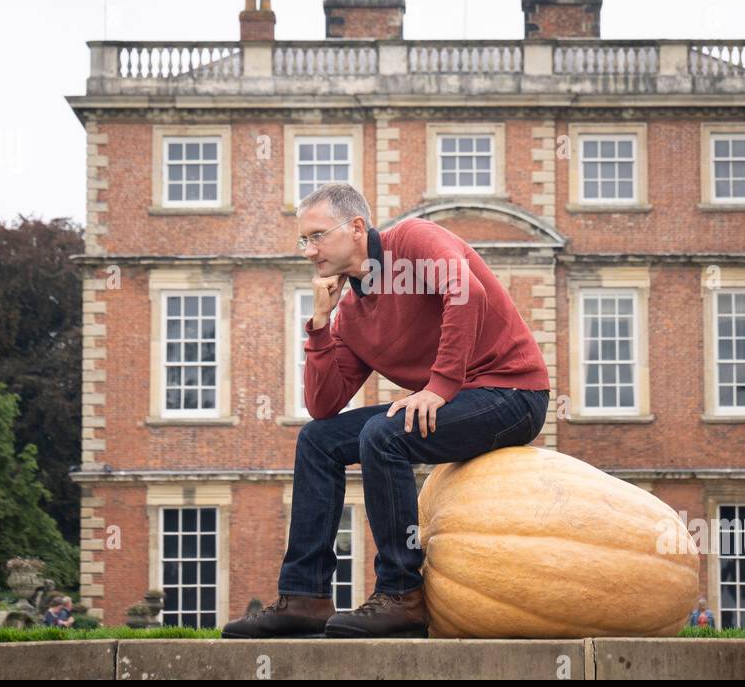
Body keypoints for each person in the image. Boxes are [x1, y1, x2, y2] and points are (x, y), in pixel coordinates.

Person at [222, 183, 551, 640]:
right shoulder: (352, 313)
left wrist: (439, 386)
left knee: (384, 433)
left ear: (357, 227)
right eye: (303, 240)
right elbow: (323, 405)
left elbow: (466, 292)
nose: (307, 251)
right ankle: (305, 596)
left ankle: (402, 594)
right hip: (456, 400)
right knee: (317, 442)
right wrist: (320, 325)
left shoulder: (414, 241)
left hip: (513, 394)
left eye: (316, 236)